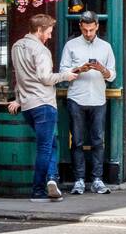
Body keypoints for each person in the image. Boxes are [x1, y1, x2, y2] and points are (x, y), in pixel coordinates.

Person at [7, 14, 79, 202]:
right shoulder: (41, 51)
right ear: (39, 30)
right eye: (48, 32)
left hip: (28, 106)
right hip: (44, 104)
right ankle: (38, 190)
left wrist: (19, 99)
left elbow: (20, 77)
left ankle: (52, 179)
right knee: (45, 148)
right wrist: (66, 75)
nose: (49, 36)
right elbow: (46, 78)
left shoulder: (16, 46)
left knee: (51, 144)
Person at [59, 10, 117, 194]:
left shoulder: (106, 47)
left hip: (98, 99)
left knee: (98, 141)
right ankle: (79, 180)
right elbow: (63, 73)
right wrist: (79, 69)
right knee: (76, 141)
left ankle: (97, 179)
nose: (89, 34)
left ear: (97, 27)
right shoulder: (71, 45)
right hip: (76, 98)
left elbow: (112, 75)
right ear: (80, 27)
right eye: (85, 30)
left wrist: (102, 69)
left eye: (91, 30)